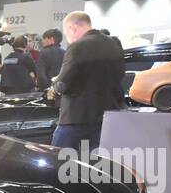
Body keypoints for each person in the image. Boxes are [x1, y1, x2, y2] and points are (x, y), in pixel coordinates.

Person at [49, 12, 125, 150]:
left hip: (76, 117)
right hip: (106, 117)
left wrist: (55, 83)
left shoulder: (77, 46)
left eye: (67, 33)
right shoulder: (114, 44)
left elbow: (62, 84)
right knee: (95, 165)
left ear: (72, 28)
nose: (68, 38)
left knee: (59, 162)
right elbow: (120, 74)